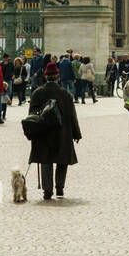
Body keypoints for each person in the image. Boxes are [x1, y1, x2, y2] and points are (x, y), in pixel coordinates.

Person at [27, 62, 81, 200]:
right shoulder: (66, 94)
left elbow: (31, 114)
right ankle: (60, 188)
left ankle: (47, 190)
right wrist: (76, 133)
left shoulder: (37, 93)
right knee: (62, 160)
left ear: (45, 76)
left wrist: (32, 132)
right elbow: (72, 116)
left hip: (43, 132)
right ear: (58, 76)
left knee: (46, 161)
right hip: (62, 132)